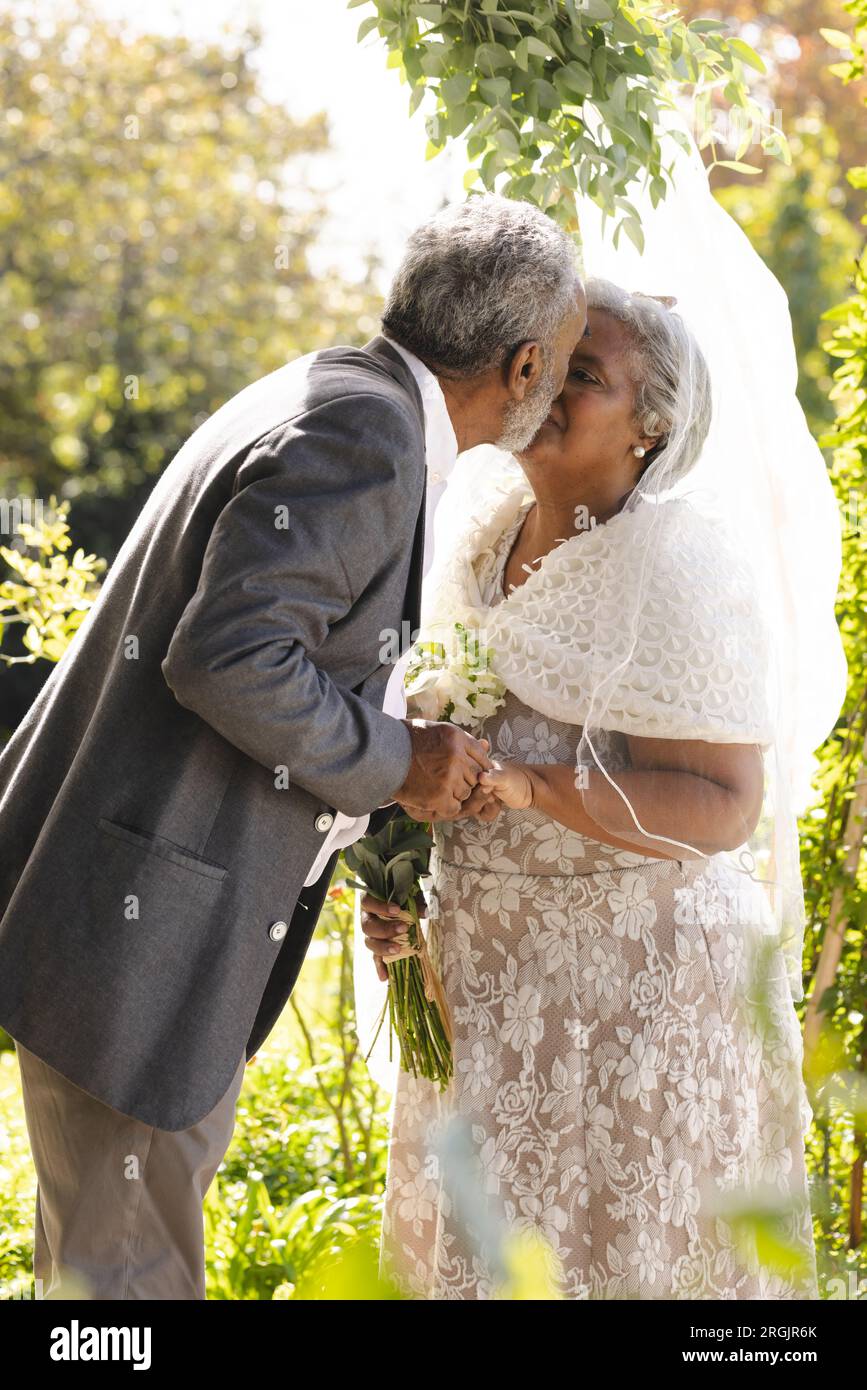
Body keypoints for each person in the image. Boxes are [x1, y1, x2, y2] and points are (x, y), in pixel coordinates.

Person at [0, 192, 585, 1300]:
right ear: (519, 366)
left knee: (103, 1270)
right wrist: (398, 760)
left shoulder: (337, 391)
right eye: (560, 364)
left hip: (129, 913)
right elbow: (229, 656)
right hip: (139, 937)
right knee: (125, 1285)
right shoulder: (363, 436)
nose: (555, 390)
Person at [361, 279, 823, 1299]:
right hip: (485, 1002)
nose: (549, 387)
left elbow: (724, 804)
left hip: (635, 1016)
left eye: (587, 374)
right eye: (547, 361)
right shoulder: (479, 538)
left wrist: (531, 785)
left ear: (650, 423)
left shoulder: (682, 561)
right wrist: (403, 885)